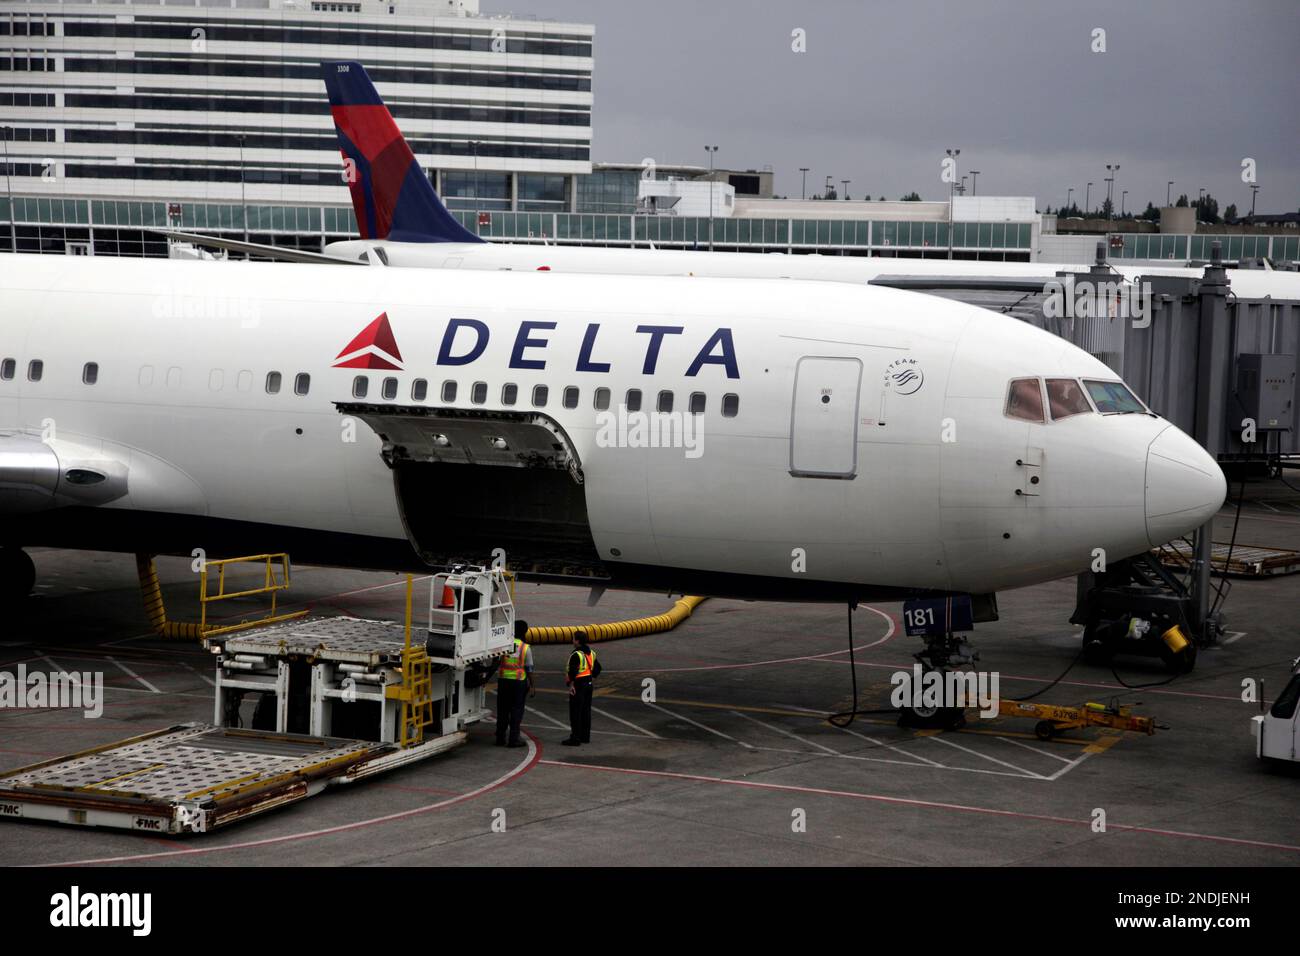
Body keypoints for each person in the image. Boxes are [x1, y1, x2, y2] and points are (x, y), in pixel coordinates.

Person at [495, 619, 533, 748]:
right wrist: (532, 685)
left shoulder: (505, 645)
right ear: (525, 632)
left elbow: (496, 662)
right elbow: (529, 669)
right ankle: (513, 739)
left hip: (503, 681)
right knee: (516, 711)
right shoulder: (525, 647)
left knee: (502, 710)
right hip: (518, 683)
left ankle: (500, 738)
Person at [562, 629, 600, 746]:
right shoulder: (591, 653)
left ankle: (575, 738)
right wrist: (591, 678)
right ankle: (585, 736)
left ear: (577, 641)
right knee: (586, 711)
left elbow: (572, 672)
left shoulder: (576, 654)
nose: (572, 640)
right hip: (588, 684)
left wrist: (572, 685)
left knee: (575, 712)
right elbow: (598, 668)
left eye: (573, 638)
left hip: (578, 685)